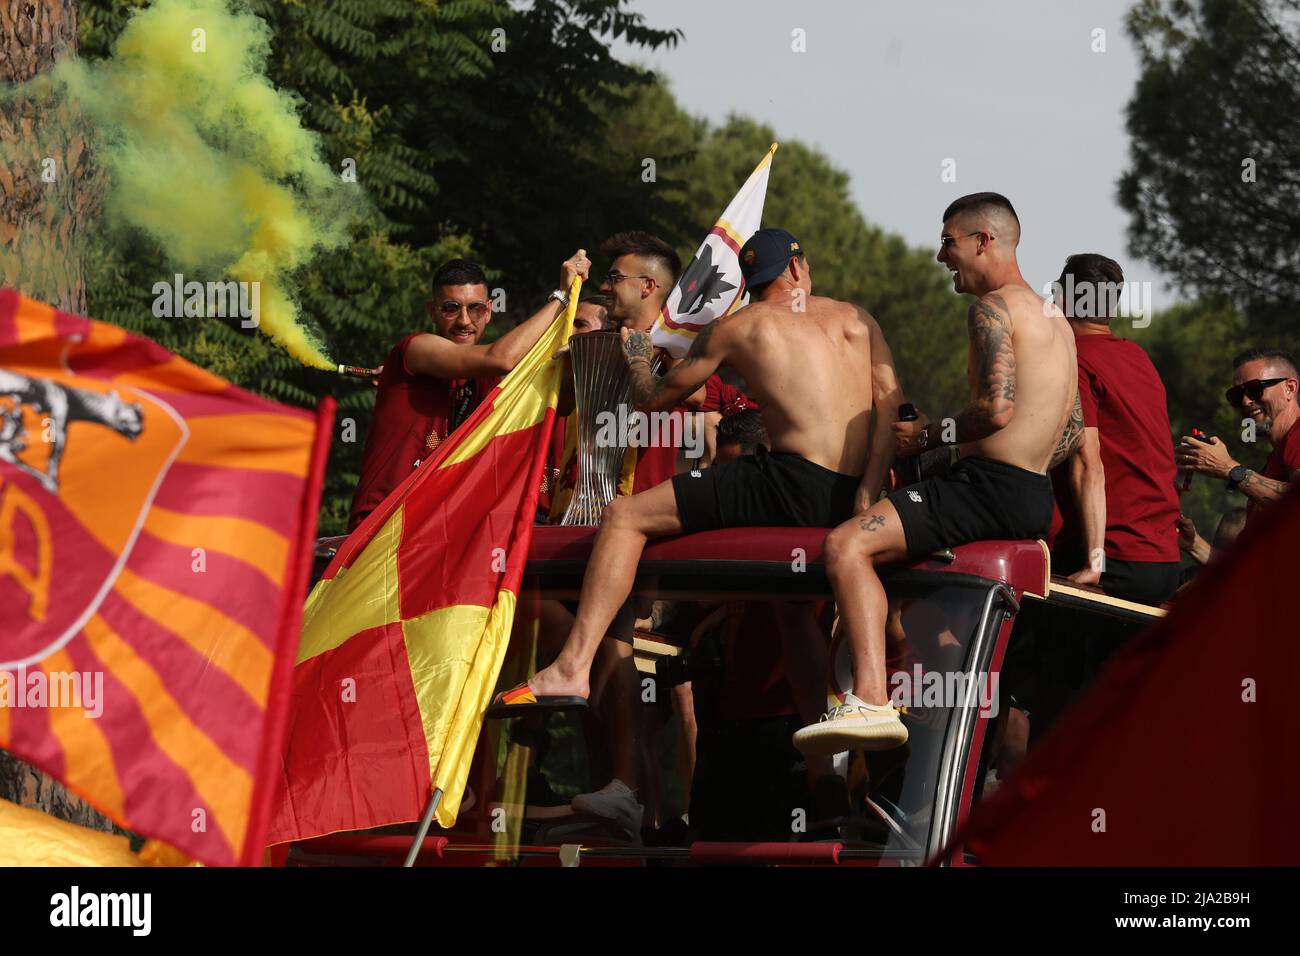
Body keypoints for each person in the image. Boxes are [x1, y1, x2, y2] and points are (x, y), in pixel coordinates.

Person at [487, 227, 905, 740]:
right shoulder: (858, 319)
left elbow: (653, 398)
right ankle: (827, 768)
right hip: (846, 493)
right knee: (792, 610)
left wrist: (638, 353)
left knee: (625, 515)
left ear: (753, 282)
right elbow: (891, 406)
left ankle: (571, 668)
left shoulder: (741, 326)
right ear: (798, 267)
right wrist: (866, 490)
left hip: (788, 482)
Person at [796, 193, 1082, 754]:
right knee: (921, 605)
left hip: (990, 490)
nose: (939, 255)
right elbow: (1069, 432)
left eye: (948, 241)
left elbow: (995, 410)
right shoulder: (1058, 323)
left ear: (985, 241)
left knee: (847, 546)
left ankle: (871, 700)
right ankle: (942, 726)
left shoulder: (993, 309)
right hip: (1030, 494)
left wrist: (926, 438)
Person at [348, 253, 590, 530]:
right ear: (432, 311)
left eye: (475, 309)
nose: (464, 320)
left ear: (488, 311)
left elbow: (561, 405)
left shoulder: (493, 383)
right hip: (380, 528)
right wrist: (562, 297)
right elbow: (501, 357)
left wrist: (586, 355)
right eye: (451, 308)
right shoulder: (414, 348)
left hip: (440, 533)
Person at [1048, 253, 1181, 606]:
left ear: (1063, 299)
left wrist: (1095, 562)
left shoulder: (1077, 360)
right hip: (1164, 561)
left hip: (1113, 560)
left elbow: (1088, 463)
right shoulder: (1139, 358)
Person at [1175, 347, 1300, 529]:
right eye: (1236, 395)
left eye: (1254, 389)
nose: (1245, 401)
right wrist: (1194, 546)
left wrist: (1228, 468)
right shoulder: (1273, 461)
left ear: (1289, 388)